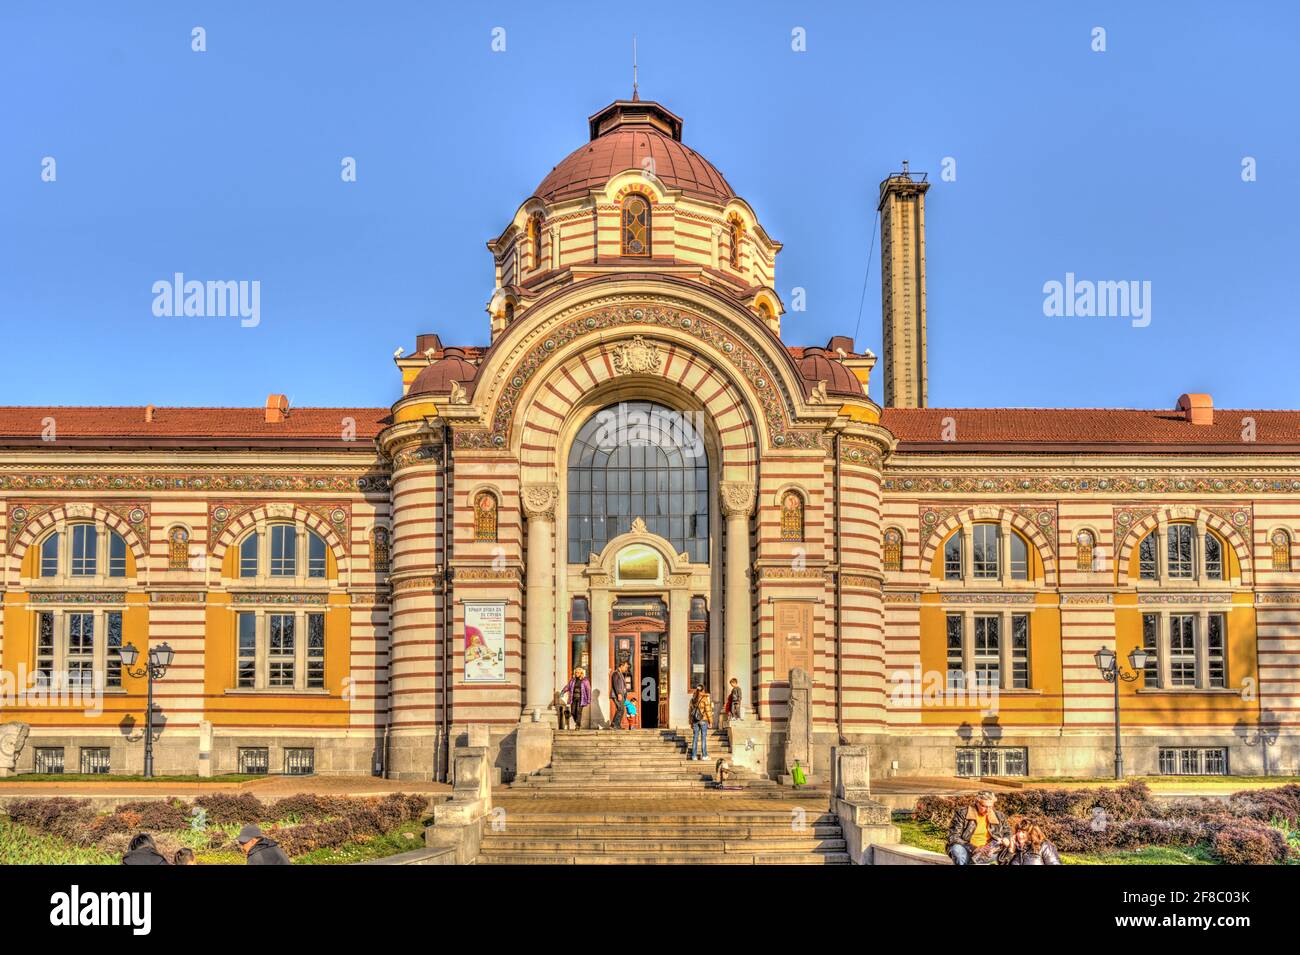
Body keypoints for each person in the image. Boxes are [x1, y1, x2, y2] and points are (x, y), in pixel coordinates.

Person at [946, 792, 1011, 866]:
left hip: (989, 852)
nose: (987, 810)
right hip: (967, 849)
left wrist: (1006, 839)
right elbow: (953, 836)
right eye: (984, 806)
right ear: (977, 802)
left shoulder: (999, 816)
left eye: (990, 806)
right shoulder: (963, 813)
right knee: (956, 850)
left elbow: (1008, 832)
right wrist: (974, 848)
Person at [688, 684, 713, 760]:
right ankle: (704, 755)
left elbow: (690, 712)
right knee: (703, 738)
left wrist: (691, 722)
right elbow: (708, 710)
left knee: (695, 738)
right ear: (703, 690)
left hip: (695, 720)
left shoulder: (693, 699)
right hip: (703, 720)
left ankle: (694, 756)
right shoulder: (705, 698)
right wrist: (710, 721)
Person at [610, 662, 629, 729]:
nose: (626, 669)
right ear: (621, 666)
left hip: (621, 694)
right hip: (617, 695)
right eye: (626, 667)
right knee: (620, 709)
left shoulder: (620, 674)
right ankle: (615, 724)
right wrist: (619, 694)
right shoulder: (616, 673)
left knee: (621, 709)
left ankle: (616, 724)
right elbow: (616, 684)